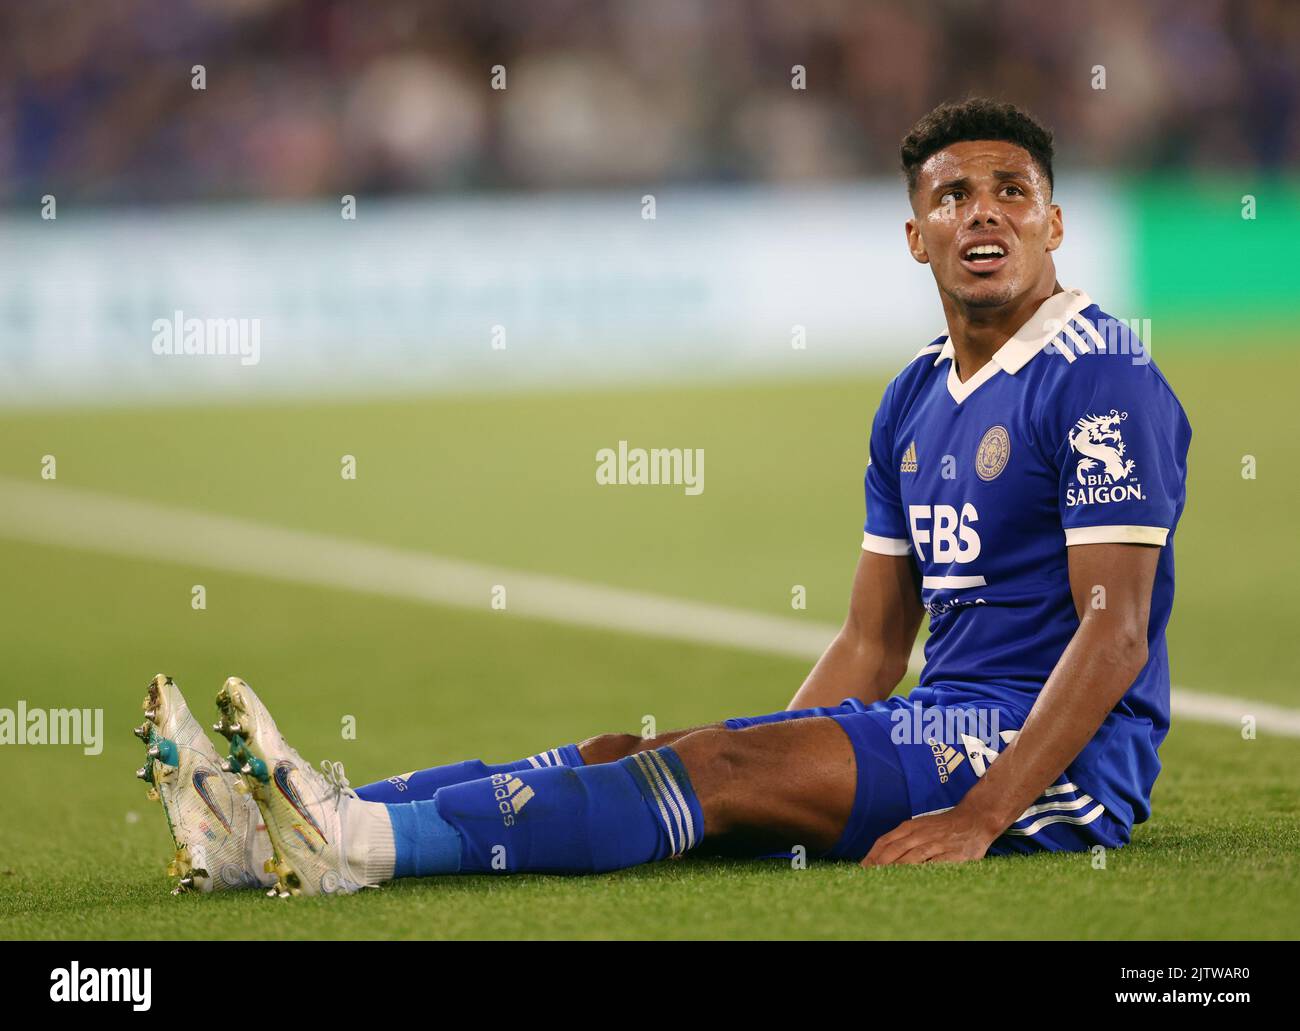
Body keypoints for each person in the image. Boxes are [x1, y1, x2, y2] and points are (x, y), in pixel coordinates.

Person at [136, 99, 1190, 896]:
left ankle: (359, 847)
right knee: (631, 754)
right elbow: (872, 641)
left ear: (1053, 221)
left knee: (713, 766)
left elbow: (1116, 632)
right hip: (933, 719)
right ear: (915, 237)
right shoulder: (913, 395)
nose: (983, 213)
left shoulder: (1099, 376)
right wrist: (778, 769)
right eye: (951, 196)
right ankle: (297, 819)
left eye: (1011, 191)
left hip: (1049, 765)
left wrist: (980, 813)